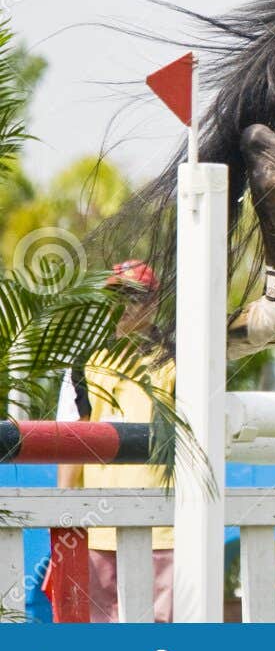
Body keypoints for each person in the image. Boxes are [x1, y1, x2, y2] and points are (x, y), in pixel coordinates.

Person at [53, 260, 176, 622]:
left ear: (154, 302)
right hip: (97, 533)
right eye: (116, 296)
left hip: (164, 530)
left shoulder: (180, 359)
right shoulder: (84, 363)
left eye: (134, 297)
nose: (124, 306)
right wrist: (65, 521)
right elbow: (70, 439)